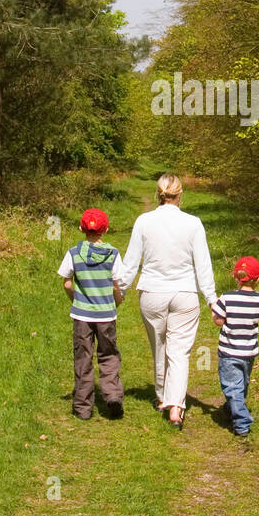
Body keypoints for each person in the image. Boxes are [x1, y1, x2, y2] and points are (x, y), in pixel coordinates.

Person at [116, 174, 216, 429]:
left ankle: (162, 397)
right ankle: (176, 406)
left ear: (158, 194)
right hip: (185, 293)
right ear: (180, 194)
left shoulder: (144, 222)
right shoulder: (193, 224)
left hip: (152, 293)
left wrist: (120, 291)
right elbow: (202, 265)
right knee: (179, 351)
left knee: (159, 346)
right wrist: (211, 299)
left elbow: (131, 262)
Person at [57, 207, 124, 420]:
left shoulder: (73, 253)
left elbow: (67, 283)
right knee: (108, 354)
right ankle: (113, 396)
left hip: (82, 316)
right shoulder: (113, 254)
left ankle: (83, 407)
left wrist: (76, 300)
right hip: (106, 315)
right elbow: (117, 286)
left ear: (80, 228)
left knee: (83, 358)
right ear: (105, 229)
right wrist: (117, 302)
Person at [211, 256, 259, 437]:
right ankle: (232, 407)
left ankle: (242, 423)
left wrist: (215, 309)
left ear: (236, 277)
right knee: (242, 383)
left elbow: (219, 321)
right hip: (249, 352)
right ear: (258, 279)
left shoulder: (227, 297)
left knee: (232, 386)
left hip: (229, 351)